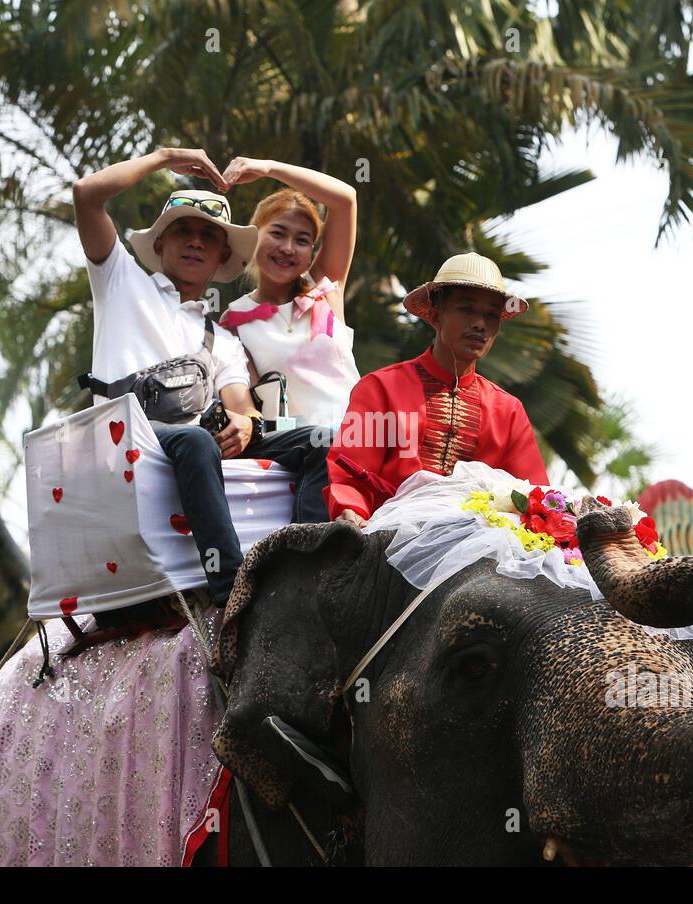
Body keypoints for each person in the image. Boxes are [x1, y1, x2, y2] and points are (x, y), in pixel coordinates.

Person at [72, 147, 332, 612]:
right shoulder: (120, 281)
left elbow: (241, 405)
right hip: (125, 437)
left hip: (192, 440)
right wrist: (165, 157)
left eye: (208, 237)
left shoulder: (221, 338)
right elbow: (86, 196)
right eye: (184, 231)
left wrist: (249, 424)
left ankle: (304, 567)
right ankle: (233, 592)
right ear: (160, 245)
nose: (195, 242)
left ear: (221, 256)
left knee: (320, 438)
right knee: (196, 442)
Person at [325, 253, 549, 528]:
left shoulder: (509, 410)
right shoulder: (380, 388)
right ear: (435, 314)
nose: (480, 324)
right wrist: (350, 509)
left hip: (482, 548)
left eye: (491, 316)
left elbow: (536, 498)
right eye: (466, 309)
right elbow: (349, 475)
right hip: (386, 537)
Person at [217, 160, 359, 430]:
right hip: (292, 458)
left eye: (302, 240)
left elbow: (345, 199)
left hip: (358, 446)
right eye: (277, 234)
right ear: (254, 237)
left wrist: (270, 168)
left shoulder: (326, 287)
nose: (288, 248)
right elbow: (251, 407)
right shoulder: (234, 319)